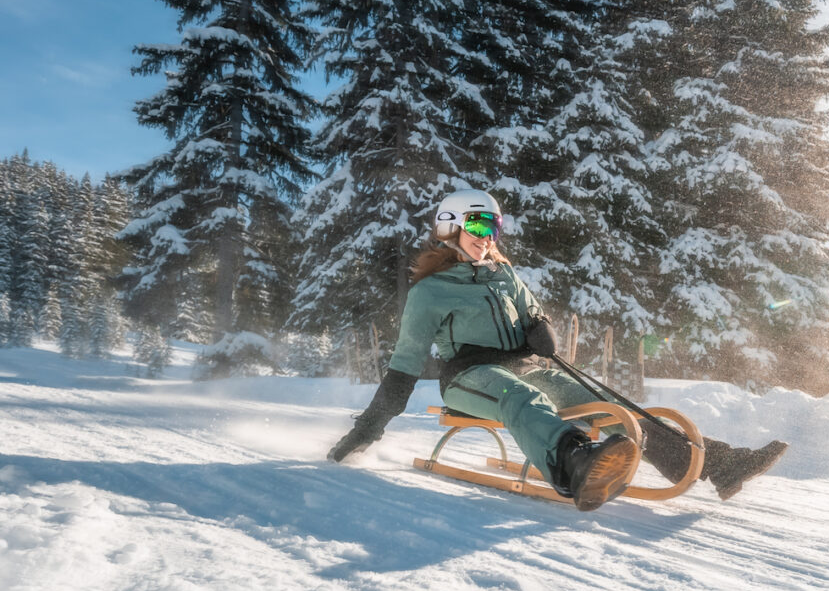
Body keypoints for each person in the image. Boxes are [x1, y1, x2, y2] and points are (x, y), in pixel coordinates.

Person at [328, 188, 788, 510]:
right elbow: (405, 361)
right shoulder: (432, 290)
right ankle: (576, 464)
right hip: (470, 377)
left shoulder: (504, 274)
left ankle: (719, 463)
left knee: (606, 406)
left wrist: (540, 326)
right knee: (520, 398)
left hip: (527, 364)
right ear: (450, 226)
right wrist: (370, 426)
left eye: (494, 226)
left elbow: (532, 309)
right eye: (478, 223)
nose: (488, 235)